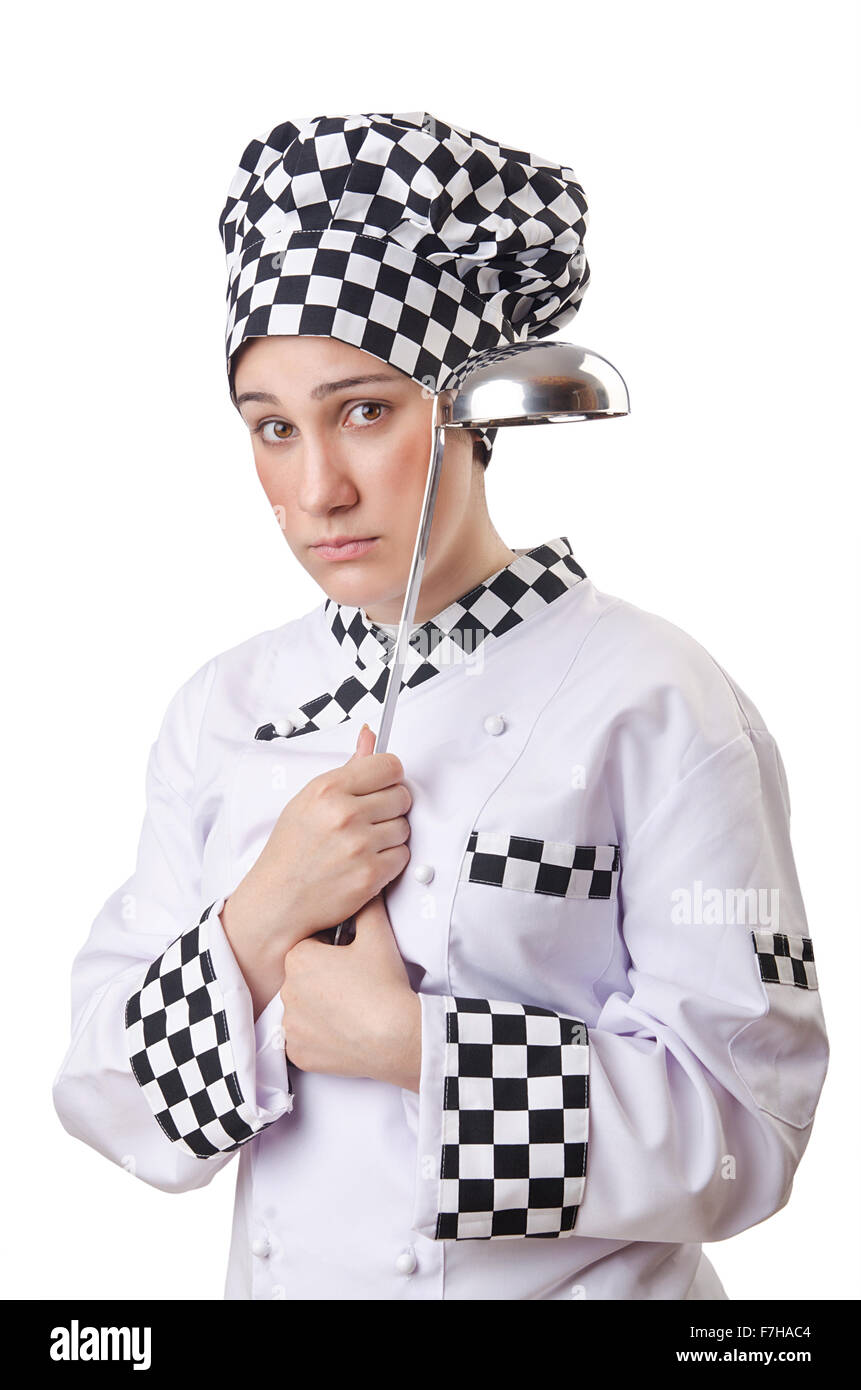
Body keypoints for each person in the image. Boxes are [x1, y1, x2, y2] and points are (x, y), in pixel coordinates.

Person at [52, 110, 829, 1301]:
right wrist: (259, 919)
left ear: (473, 410)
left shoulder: (659, 699)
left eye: (364, 409)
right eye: (273, 428)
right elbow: (104, 1093)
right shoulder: (223, 707)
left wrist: (419, 1050)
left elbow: (748, 1131)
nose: (318, 487)